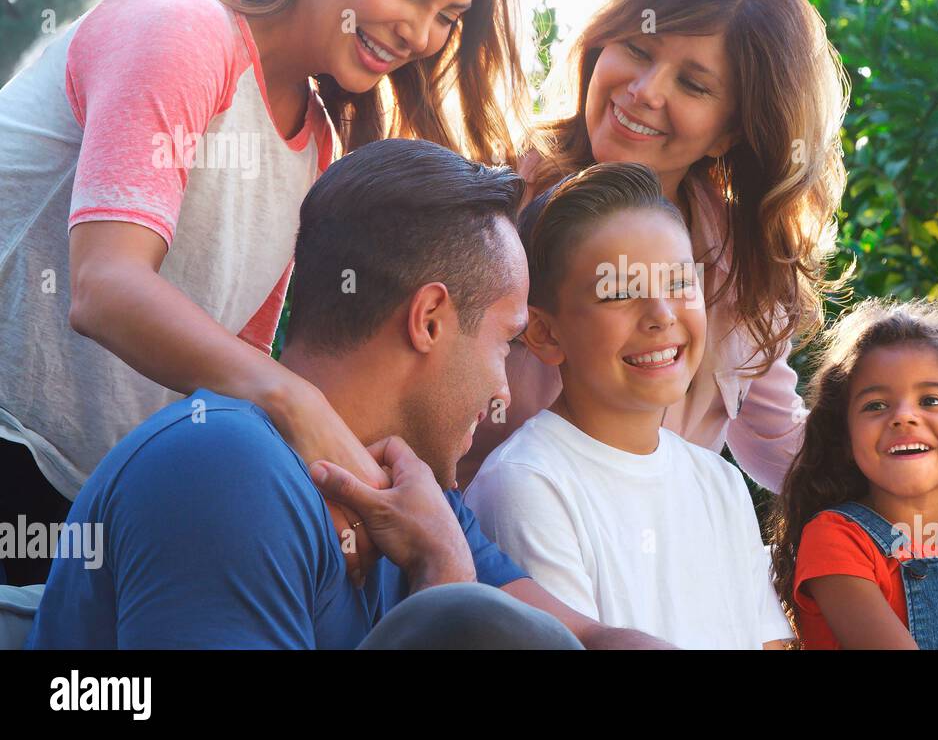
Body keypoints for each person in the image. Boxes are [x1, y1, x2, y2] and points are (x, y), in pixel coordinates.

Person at [0, 0, 527, 586]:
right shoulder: (182, 27)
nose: (420, 34)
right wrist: (295, 402)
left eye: (446, 15)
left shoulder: (316, 145)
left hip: (91, 498)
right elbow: (103, 286)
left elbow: (223, 369)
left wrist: (339, 486)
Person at [26, 140, 669, 649]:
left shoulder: (418, 497)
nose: (505, 386)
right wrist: (446, 586)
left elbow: (584, 642)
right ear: (430, 320)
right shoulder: (223, 470)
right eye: (506, 342)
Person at [459, 0, 850, 492]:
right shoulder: (489, 206)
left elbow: (784, 449)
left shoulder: (738, 266)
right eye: (638, 50)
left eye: (693, 84)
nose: (644, 91)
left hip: (649, 570)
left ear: (731, 132)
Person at [465, 163, 792, 649]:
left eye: (680, 283)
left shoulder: (719, 482)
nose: (661, 315)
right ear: (545, 333)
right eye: (620, 292)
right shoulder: (527, 485)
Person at [768, 298, 938, 649]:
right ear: (846, 440)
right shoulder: (836, 539)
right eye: (876, 405)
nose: (903, 417)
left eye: (931, 400)